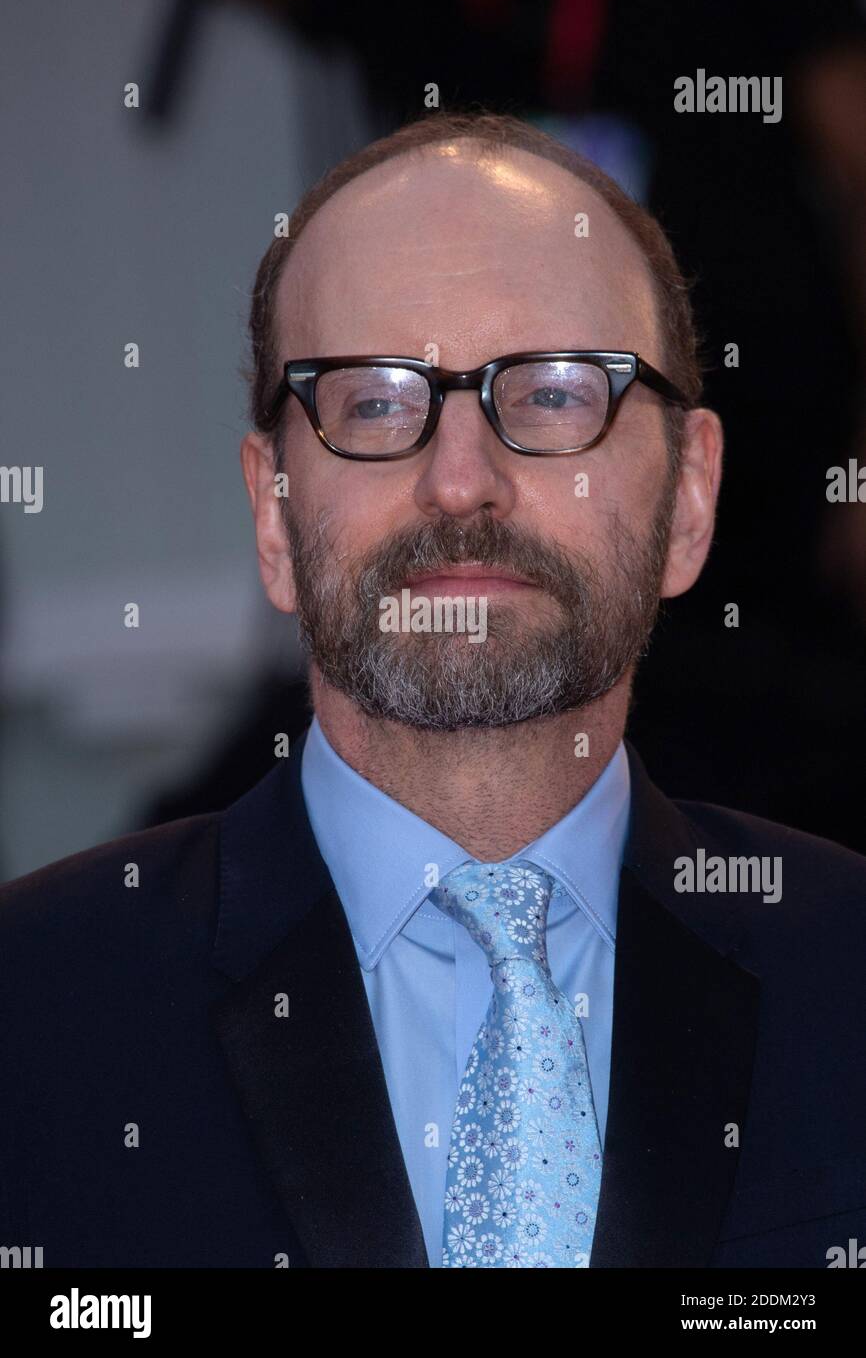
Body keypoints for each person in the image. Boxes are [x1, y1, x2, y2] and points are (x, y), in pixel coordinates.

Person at [2, 111, 865, 1269]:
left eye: (557, 392)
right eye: (374, 401)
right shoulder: (34, 1014)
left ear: (690, 498)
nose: (460, 481)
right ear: (272, 512)